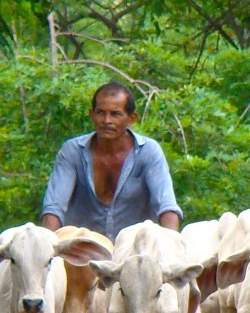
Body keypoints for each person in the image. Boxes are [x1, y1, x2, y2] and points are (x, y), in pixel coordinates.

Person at [40, 81, 182, 238]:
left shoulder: (148, 151)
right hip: (81, 253)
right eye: (101, 113)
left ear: (131, 119)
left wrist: (172, 245)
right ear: (91, 114)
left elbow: (167, 206)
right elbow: (53, 208)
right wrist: (51, 248)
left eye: (115, 114)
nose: (107, 120)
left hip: (134, 253)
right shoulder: (73, 151)